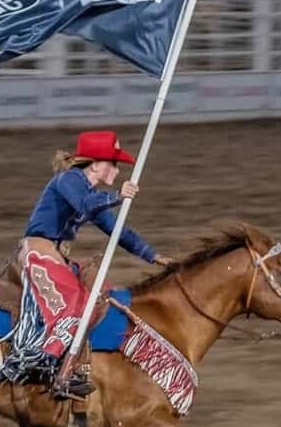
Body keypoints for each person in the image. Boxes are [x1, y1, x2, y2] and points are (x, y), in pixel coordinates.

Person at [10, 129, 171, 400]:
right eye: (114, 164)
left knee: (98, 296)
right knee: (74, 305)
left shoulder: (88, 192)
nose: (117, 171)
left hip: (56, 255)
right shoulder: (68, 180)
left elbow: (116, 229)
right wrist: (118, 195)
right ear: (95, 164)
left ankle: (70, 367)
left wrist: (152, 255)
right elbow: (86, 204)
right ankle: (47, 365)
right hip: (38, 252)